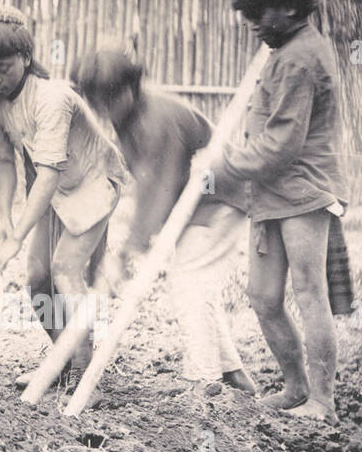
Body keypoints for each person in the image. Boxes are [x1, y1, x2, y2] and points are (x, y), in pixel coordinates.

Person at [208, 0, 347, 423]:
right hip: (268, 192)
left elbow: (284, 143)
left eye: (258, 13)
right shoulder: (281, 52)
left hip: (303, 189)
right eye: (246, 14)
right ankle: (294, 387)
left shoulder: (301, 58)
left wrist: (223, 165)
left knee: (309, 291)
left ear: (290, 7)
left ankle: (322, 400)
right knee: (263, 297)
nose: (250, 24)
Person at [72, 44, 255, 394]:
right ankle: (232, 373)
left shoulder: (157, 118)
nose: (104, 108)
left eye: (111, 98)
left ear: (132, 86)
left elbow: (159, 187)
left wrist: (127, 252)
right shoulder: (124, 119)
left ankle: (204, 378)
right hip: (192, 203)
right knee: (192, 281)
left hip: (220, 198)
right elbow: (145, 186)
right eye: (97, 100)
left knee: (188, 280)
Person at [0, 5, 127, 386]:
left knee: (66, 270)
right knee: (38, 280)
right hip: (58, 191)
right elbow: (4, 160)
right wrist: (2, 217)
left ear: (26, 58)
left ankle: (83, 371)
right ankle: (61, 356)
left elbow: (47, 173)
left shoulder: (53, 98)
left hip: (93, 182)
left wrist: (14, 239)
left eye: (3, 67)